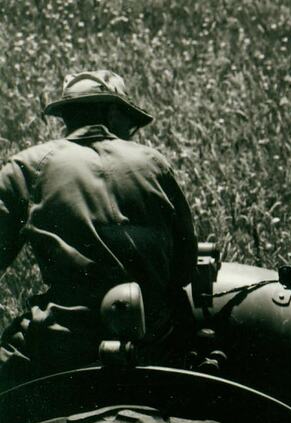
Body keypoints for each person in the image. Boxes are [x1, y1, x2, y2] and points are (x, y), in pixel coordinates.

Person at [0, 70, 196, 384]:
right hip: (154, 340)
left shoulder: (27, 166)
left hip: (61, 343)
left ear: (66, 115)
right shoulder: (154, 163)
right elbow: (184, 268)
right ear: (112, 111)